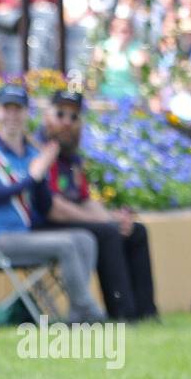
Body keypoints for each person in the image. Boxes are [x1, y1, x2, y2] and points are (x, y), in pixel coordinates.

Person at [0, 84, 106, 324]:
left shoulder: (32, 153)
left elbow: (42, 204)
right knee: (66, 245)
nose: (12, 116)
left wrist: (44, 172)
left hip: (22, 236)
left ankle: (76, 311)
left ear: (25, 114)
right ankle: (88, 312)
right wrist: (32, 177)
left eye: (18, 109)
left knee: (85, 239)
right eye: (6, 109)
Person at [37, 89, 158, 321]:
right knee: (108, 233)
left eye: (74, 117)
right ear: (46, 116)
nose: (67, 123)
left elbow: (85, 200)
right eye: (60, 114)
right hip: (44, 225)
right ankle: (123, 313)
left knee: (135, 231)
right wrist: (105, 223)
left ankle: (146, 312)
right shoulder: (42, 151)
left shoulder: (71, 158)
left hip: (72, 223)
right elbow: (54, 208)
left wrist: (114, 219)